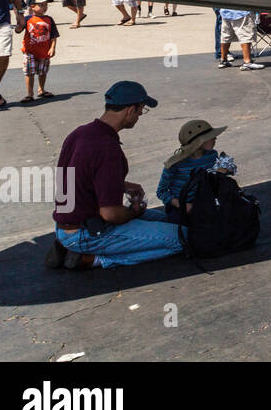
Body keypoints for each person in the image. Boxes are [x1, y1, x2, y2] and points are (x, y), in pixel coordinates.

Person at [45, 81, 184, 270]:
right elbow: (110, 214)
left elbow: (81, 175)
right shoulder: (107, 148)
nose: (140, 115)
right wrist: (134, 211)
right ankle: (93, 259)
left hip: (67, 226)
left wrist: (121, 184)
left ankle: (72, 248)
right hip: (90, 232)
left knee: (168, 221)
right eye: (140, 110)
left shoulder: (80, 133)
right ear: (129, 110)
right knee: (184, 238)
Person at [157, 119, 235, 224]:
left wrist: (225, 170)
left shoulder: (212, 155)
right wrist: (181, 204)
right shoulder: (175, 164)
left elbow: (217, 174)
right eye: (210, 137)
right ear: (198, 142)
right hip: (180, 207)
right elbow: (161, 191)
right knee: (183, 234)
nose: (215, 138)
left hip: (204, 203)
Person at [20, 0, 59, 102]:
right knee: (29, 72)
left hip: (44, 51)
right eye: (41, 5)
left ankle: (41, 89)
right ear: (32, 6)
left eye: (46, 5)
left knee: (43, 71)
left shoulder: (49, 19)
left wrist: (53, 47)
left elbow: (53, 35)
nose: (45, 7)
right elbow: (18, 29)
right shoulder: (28, 19)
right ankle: (29, 93)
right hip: (30, 51)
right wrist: (19, 20)